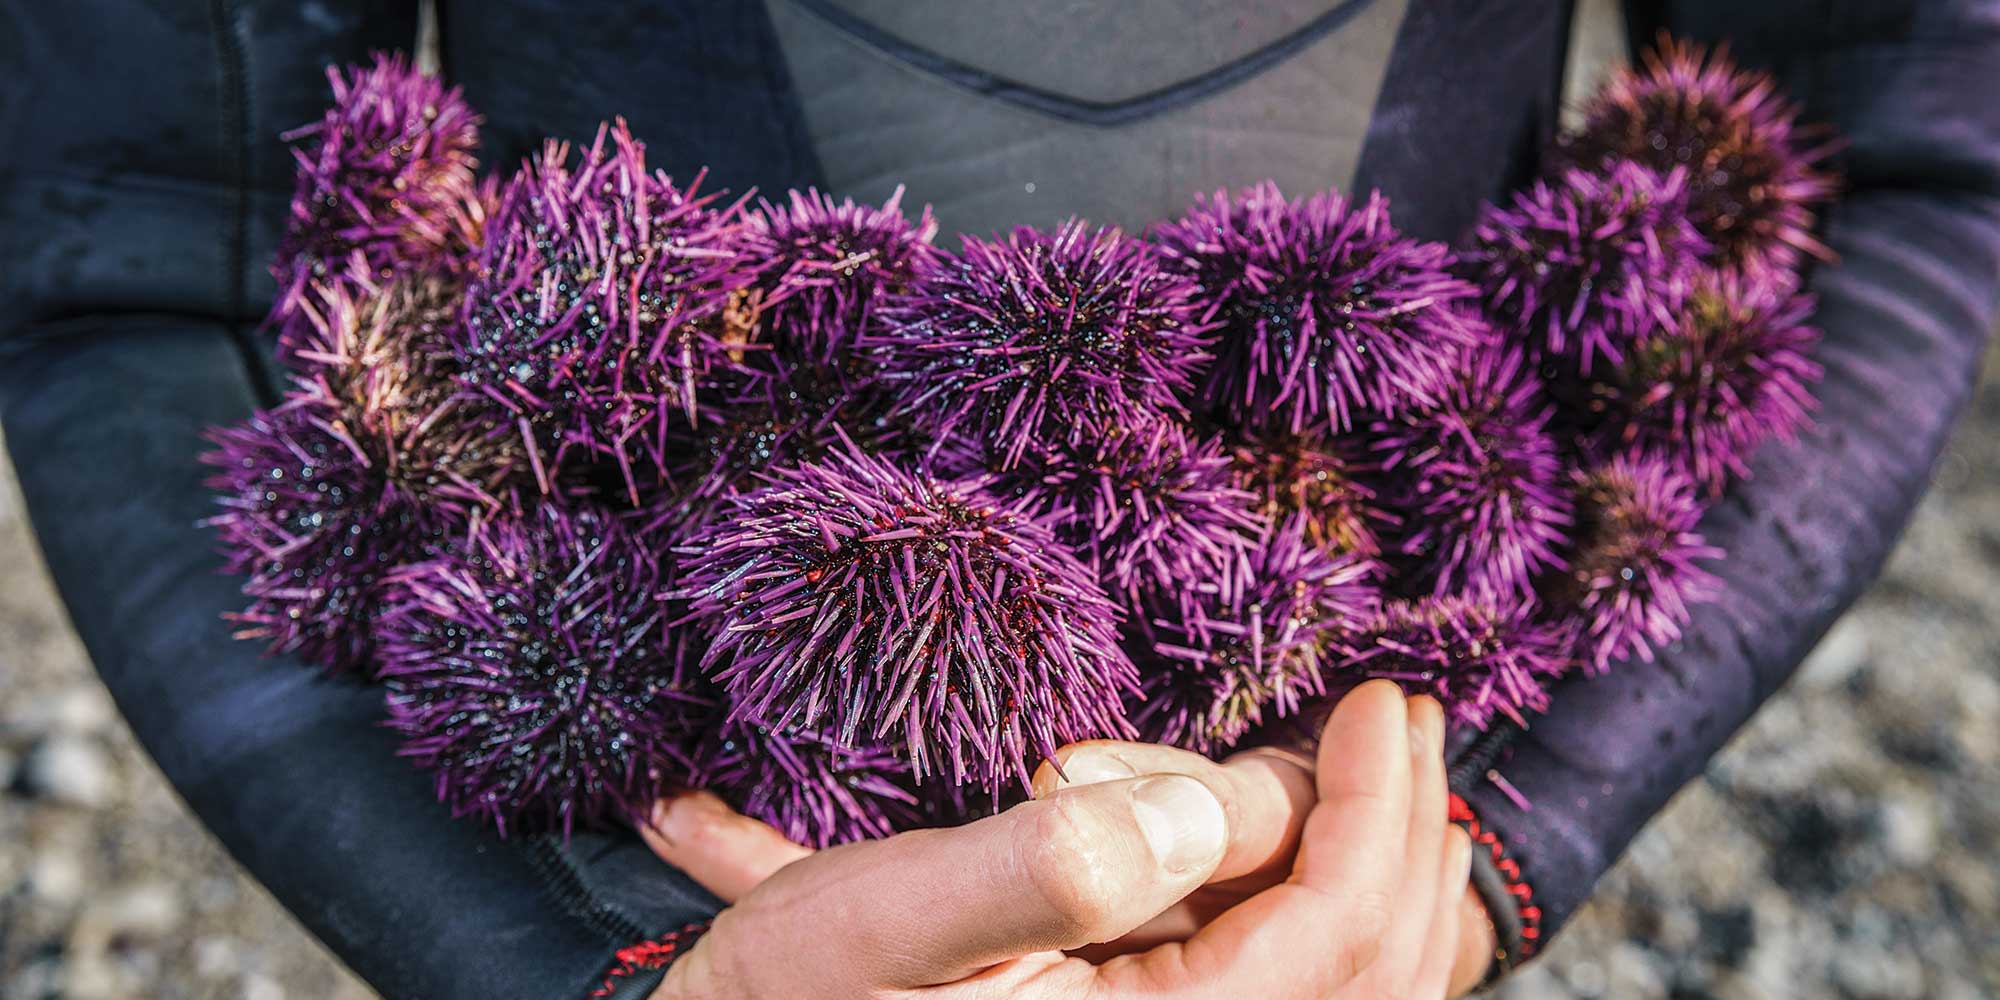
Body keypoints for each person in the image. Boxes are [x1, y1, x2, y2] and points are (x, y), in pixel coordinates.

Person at [1, 2, 1995, 998]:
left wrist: (1448, 851)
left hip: (1324, 867)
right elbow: (153, 253)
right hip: (648, 858)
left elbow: (1885, 152)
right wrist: (580, 963)